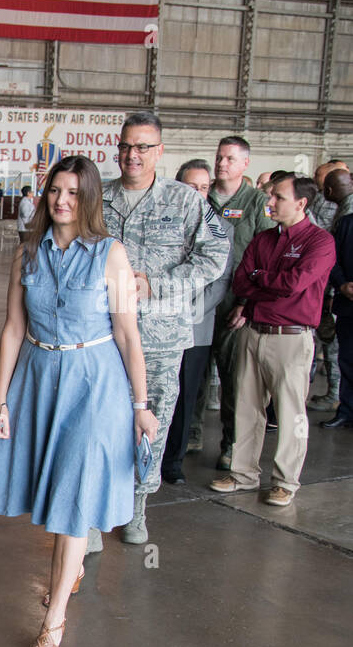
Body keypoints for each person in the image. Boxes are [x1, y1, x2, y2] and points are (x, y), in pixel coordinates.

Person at [0, 156, 156, 647]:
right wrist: (1, 400)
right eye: (56, 190)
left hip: (94, 385)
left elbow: (127, 333)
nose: (61, 201)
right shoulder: (27, 254)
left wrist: (140, 405)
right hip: (39, 377)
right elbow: (12, 329)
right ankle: (68, 571)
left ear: (90, 198)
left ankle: (53, 622)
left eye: (74, 193)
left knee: (75, 502)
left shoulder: (112, 255)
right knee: (53, 497)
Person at [100, 112, 230, 544]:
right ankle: (95, 511)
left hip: (159, 337)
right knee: (98, 424)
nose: (131, 155)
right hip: (101, 336)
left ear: (159, 152)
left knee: (149, 422)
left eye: (142, 147)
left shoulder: (186, 201)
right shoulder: (96, 199)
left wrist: (157, 286)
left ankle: (137, 507)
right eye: (125, 146)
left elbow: (213, 257)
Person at [210, 174, 335, 506]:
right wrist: (265, 283)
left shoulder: (320, 242)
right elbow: (242, 282)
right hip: (253, 333)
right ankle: (243, 474)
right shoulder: (263, 240)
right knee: (247, 407)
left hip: (291, 339)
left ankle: (285, 482)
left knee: (291, 412)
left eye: (278, 197)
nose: (270, 203)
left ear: (301, 203)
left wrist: (260, 279)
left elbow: (294, 285)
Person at [195, 136, 275, 471]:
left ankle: (231, 444)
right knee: (195, 373)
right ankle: (191, 433)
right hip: (201, 300)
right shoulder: (202, 197)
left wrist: (246, 303)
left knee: (233, 378)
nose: (222, 164)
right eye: (219, 157)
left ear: (245, 164)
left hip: (235, 305)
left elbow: (267, 255)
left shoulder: (257, 202)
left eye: (230, 159)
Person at [163, 159, 232, 484]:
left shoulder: (221, 228)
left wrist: (189, 312)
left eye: (204, 188)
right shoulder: (163, 222)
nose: (199, 193)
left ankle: (173, 463)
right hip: (157, 325)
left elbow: (220, 281)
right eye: (192, 186)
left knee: (186, 396)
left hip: (196, 325)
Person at [308, 169, 353, 411]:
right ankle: (343, 403)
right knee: (341, 353)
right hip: (342, 295)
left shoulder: (345, 214)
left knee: (338, 351)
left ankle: (339, 399)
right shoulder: (346, 216)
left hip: (341, 296)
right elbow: (334, 257)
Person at [323, 178, 353, 429]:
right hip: (349, 304)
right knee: (347, 359)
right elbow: (332, 259)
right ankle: (347, 409)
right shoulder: (346, 223)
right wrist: (342, 285)